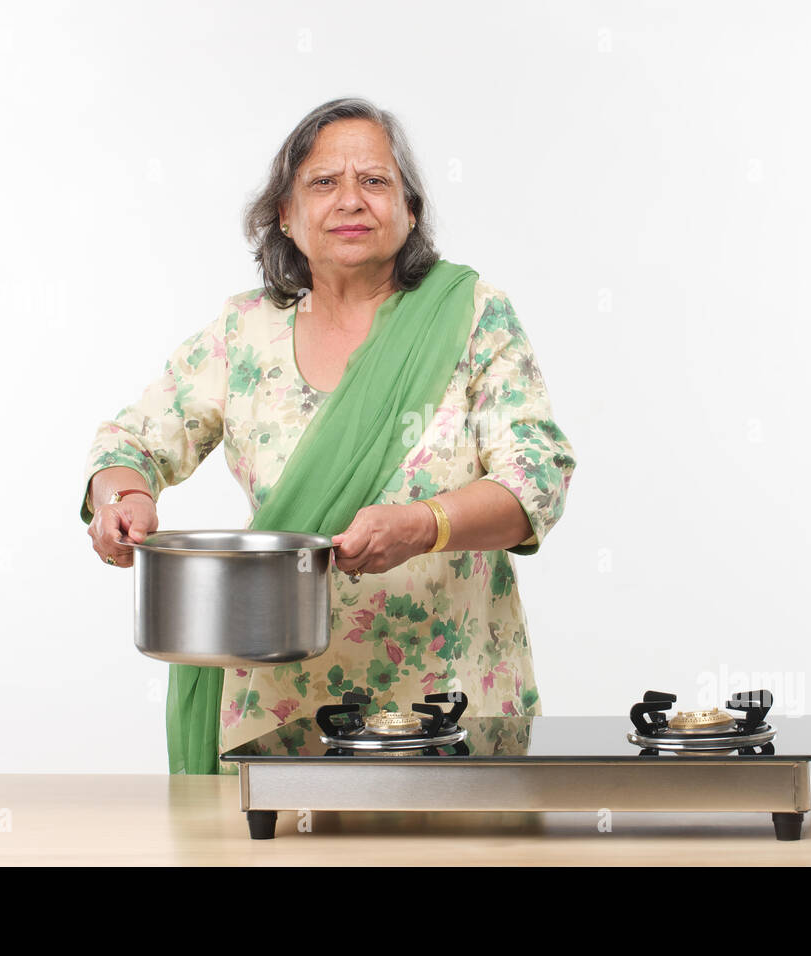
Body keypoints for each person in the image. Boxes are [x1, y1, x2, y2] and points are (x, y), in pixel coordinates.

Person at [79, 97, 576, 773]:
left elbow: (537, 478)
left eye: (375, 182)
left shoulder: (470, 316)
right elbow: (129, 443)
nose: (351, 201)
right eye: (323, 183)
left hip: (452, 714)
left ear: (410, 211)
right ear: (285, 213)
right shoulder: (241, 334)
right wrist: (123, 498)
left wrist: (422, 524)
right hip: (275, 728)